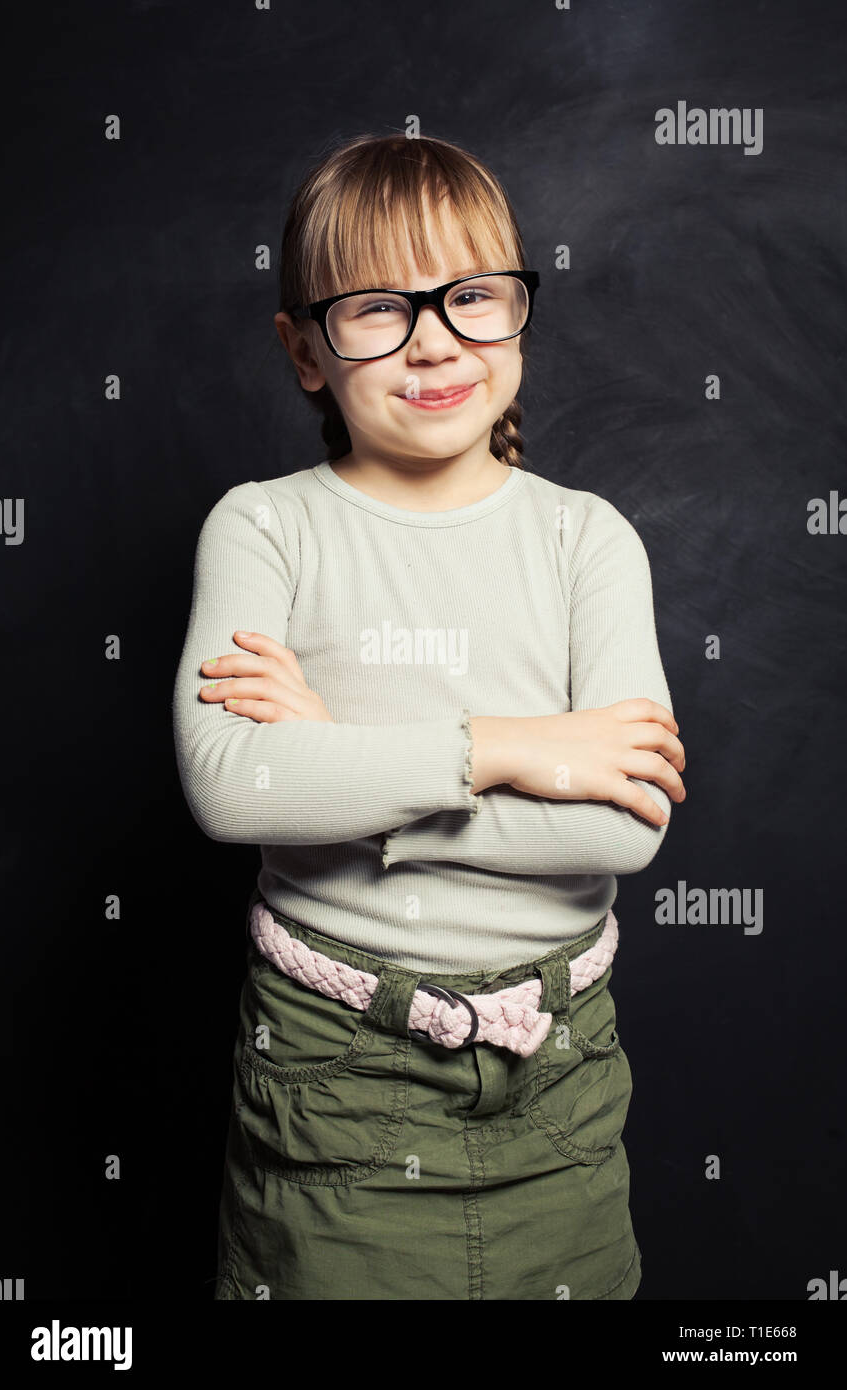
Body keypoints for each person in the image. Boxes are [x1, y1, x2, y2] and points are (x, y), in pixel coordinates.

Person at [172, 132, 686, 1301]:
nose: (435, 340)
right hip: (334, 1079)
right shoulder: (263, 529)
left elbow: (625, 824)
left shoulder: (584, 539)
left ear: (516, 309)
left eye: (471, 297)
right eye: (375, 309)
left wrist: (341, 772)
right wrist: (515, 748)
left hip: (557, 1076)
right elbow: (232, 784)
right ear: (303, 348)